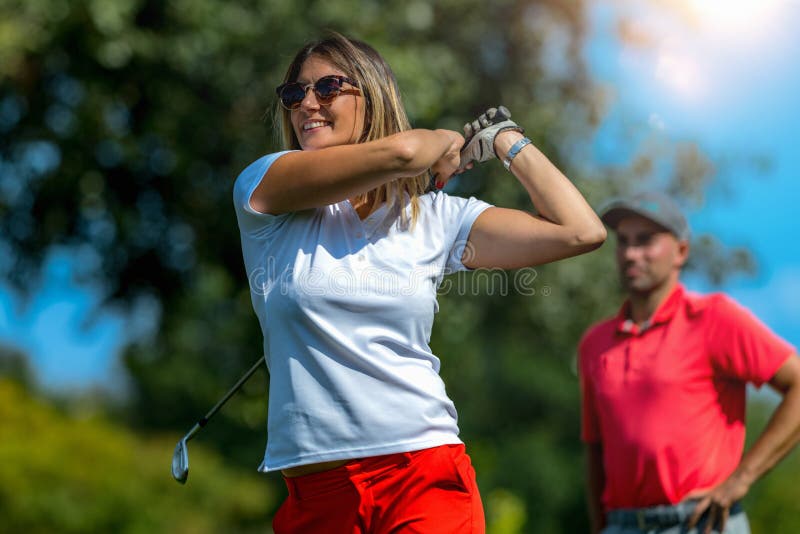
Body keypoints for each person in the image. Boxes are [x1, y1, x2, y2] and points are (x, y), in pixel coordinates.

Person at [232, 31, 606, 533]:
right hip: (318, 496)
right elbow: (407, 154)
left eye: (328, 88)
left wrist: (505, 140)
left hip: (422, 477)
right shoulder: (264, 189)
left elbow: (579, 231)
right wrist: (446, 142)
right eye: (295, 93)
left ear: (374, 94)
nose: (308, 105)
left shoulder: (436, 217)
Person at [578, 191, 800, 534]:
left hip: (701, 523)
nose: (631, 253)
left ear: (681, 251)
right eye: (623, 242)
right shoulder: (595, 344)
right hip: (622, 525)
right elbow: (595, 451)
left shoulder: (714, 319)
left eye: (646, 241)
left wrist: (741, 480)